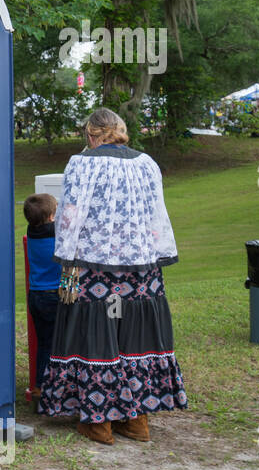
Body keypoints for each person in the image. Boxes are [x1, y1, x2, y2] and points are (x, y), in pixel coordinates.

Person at [38, 108, 187, 444]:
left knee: (95, 336)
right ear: (121, 131)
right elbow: (156, 212)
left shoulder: (82, 163)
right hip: (142, 267)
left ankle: (99, 422)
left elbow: (70, 214)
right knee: (136, 337)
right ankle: (136, 420)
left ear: (91, 135)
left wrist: (66, 256)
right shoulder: (147, 163)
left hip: (94, 266)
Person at [23, 193, 60, 407]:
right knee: (57, 346)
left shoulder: (33, 232)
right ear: (51, 216)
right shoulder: (54, 234)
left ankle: (39, 388)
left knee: (44, 345)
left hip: (36, 296)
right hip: (52, 297)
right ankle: (52, 394)